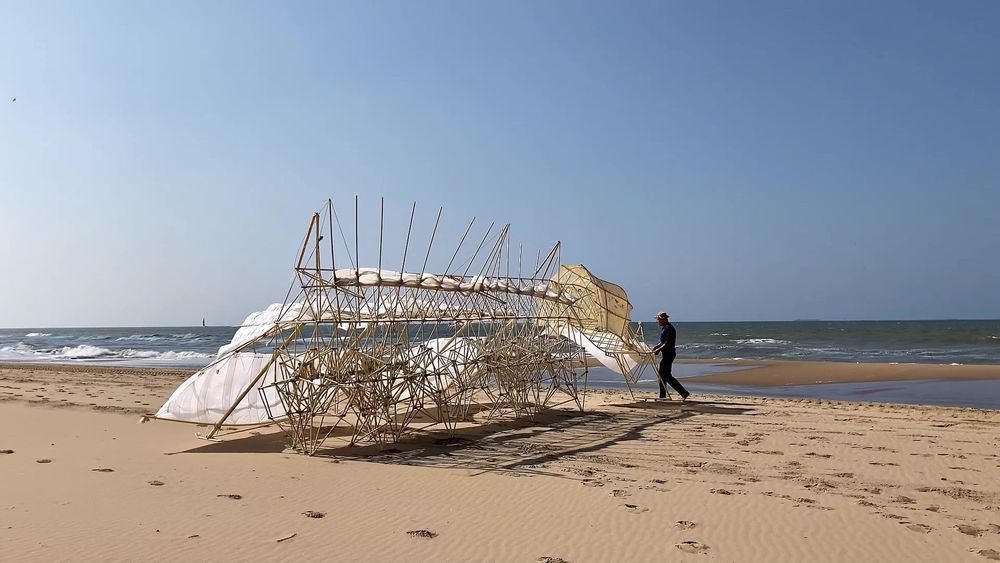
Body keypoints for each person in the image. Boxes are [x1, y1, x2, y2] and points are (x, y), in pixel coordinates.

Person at [651, 312, 690, 400]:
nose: (657, 321)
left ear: (663, 319)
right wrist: (656, 347)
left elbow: (667, 344)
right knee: (663, 375)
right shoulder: (665, 328)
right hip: (667, 354)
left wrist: (658, 349)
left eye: (658, 319)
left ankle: (683, 393)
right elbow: (663, 342)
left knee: (665, 375)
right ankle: (664, 395)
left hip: (669, 354)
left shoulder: (669, 328)